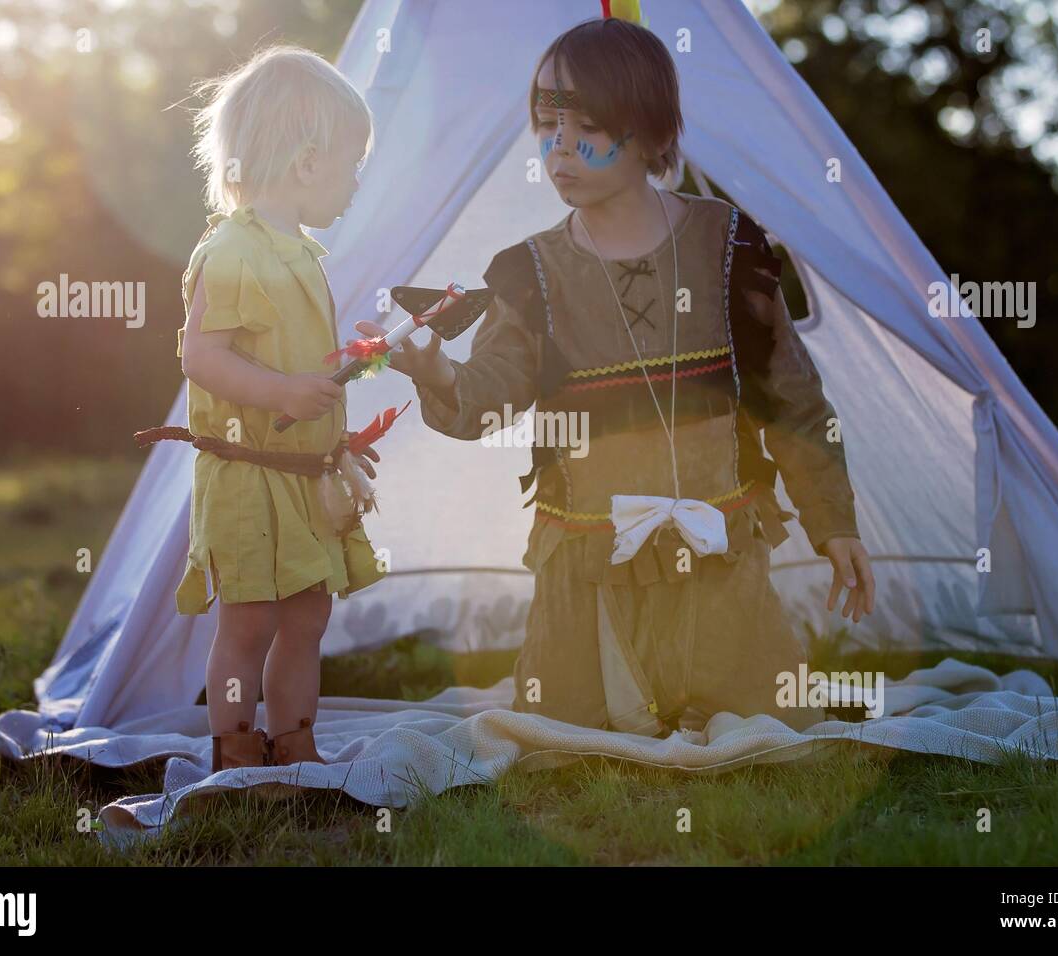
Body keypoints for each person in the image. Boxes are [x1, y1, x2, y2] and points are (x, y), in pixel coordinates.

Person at [357, 16, 876, 736]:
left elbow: (791, 394)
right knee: (566, 731)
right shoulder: (530, 272)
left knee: (770, 722)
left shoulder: (726, 243)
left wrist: (833, 522)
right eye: (547, 123)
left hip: (719, 558)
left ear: (651, 134)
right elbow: (490, 394)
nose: (558, 148)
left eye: (586, 126)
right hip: (589, 570)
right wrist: (439, 372)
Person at [168, 45, 386, 771]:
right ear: (306, 162)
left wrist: (336, 430)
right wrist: (287, 394)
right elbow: (202, 356)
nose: (357, 181)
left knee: (307, 613)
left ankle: (294, 744)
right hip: (248, 477)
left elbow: (297, 371)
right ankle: (235, 751)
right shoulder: (231, 250)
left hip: (301, 472)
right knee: (250, 618)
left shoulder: (302, 253)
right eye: (352, 163)